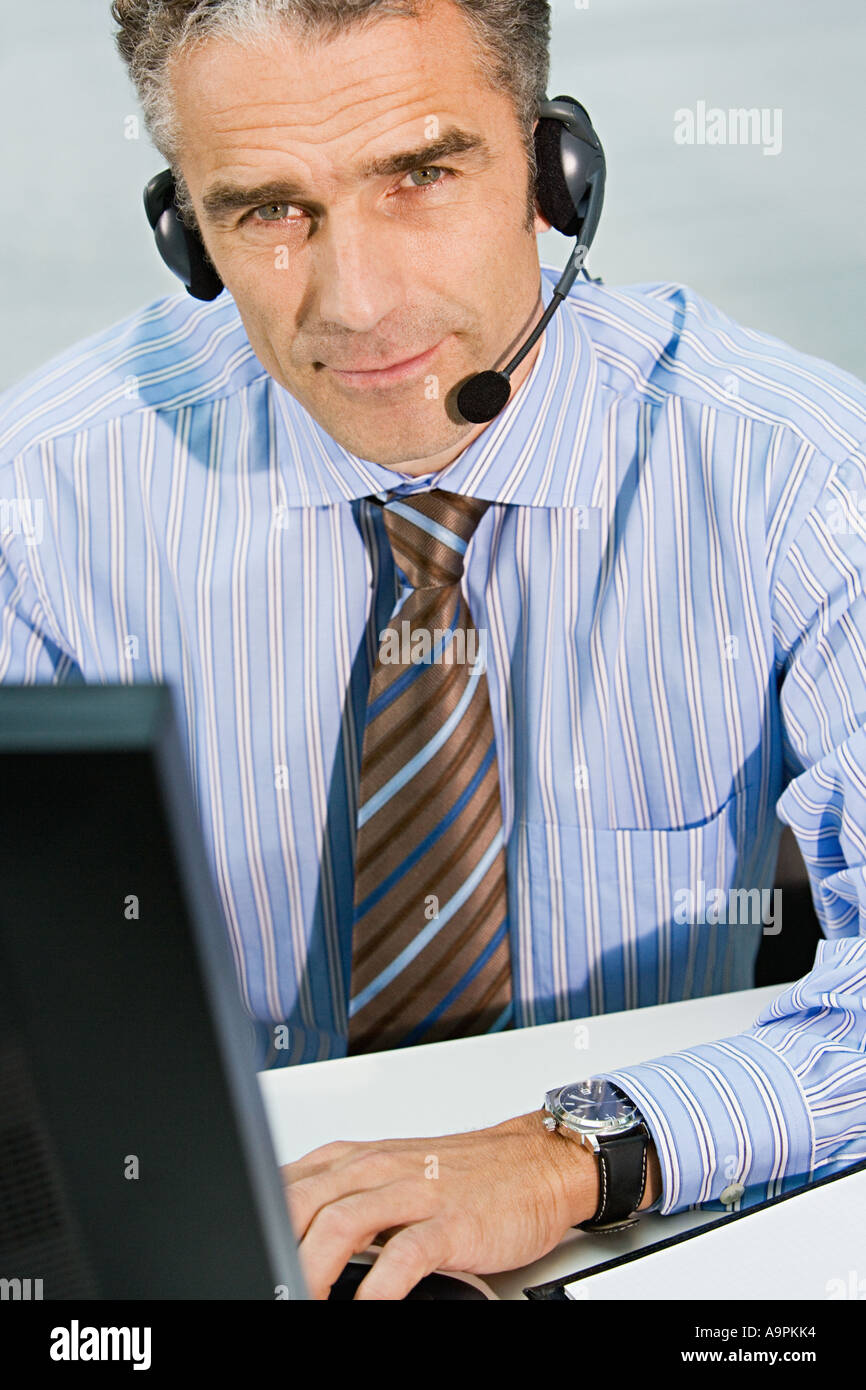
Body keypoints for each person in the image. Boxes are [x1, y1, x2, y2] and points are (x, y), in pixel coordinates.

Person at [1, 0, 865, 1300]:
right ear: (187, 232)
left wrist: (578, 1150)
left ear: (555, 169)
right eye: (267, 210)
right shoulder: (46, 492)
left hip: (613, 1225)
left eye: (420, 175)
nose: (358, 304)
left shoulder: (796, 475)